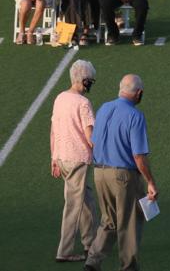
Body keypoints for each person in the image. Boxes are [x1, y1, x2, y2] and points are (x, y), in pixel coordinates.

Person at [85, 74, 158, 271]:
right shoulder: (135, 116)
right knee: (130, 223)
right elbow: (138, 156)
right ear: (139, 93)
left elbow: (94, 140)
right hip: (123, 176)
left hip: (99, 172)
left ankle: (92, 262)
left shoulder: (104, 108)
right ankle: (128, 267)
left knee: (109, 220)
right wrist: (150, 181)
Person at [49, 59, 99, 263]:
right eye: (90, 81)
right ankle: (65, 250)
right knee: (73, 205)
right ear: (84, 80)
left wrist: (54, 158)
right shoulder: (83, 103)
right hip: (77, 159)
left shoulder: (60, 98)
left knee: (86, 201)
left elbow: (54, 130)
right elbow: (90, 137)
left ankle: (91, 243)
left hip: (62, 156)